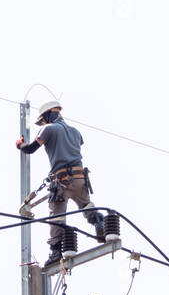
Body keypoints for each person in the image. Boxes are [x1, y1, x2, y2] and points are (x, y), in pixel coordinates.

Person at [15, 100, 105, 264]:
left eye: (43, 120)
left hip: (61, 182)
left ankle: (56, 253)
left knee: (56, 217)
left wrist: (20, 144)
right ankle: (100, 224)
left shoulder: (49, 129)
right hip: (79, 179)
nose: (44, 123)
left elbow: (30, 149)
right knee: (86, 206)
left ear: (48, 114)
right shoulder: (76, 132)